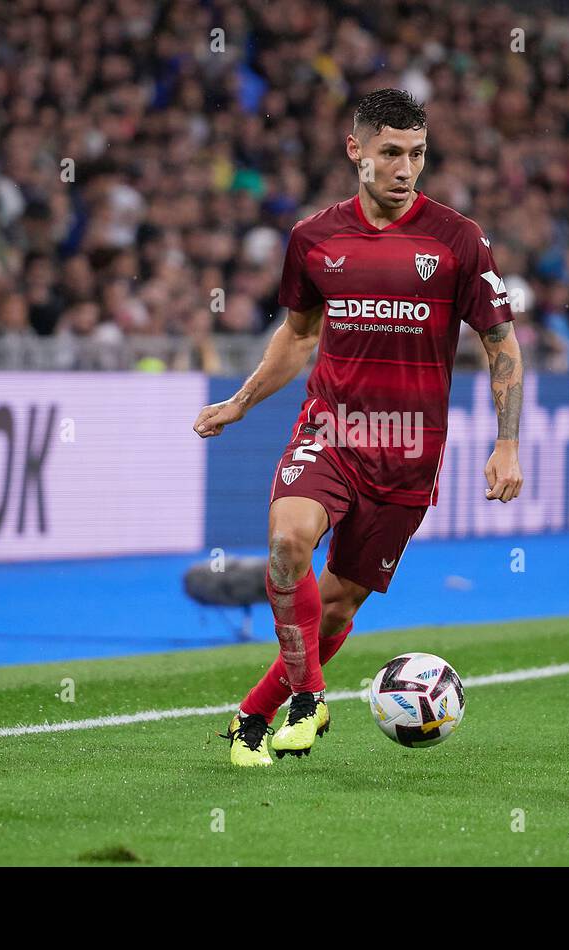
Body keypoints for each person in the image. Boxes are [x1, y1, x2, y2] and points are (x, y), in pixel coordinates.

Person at [192, 89, 525, 767]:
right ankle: (311, 699)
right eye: (392, 153)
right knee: (288, 541)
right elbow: (298, 336)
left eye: (419, 155)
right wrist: (242, 401)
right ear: (357, 151)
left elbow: (501, 344)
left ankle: (254, 713)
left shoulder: (458, 240)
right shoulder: (314, 239)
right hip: (330, 431)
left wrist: (507, 441)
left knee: (339, 608)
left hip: (408, 452)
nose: (406, 170)